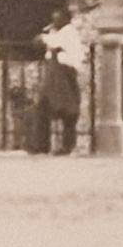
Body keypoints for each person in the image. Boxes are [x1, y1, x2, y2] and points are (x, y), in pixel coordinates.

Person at [36, 10, 84, 155]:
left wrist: (45, 37)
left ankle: (66, 146)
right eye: (53, 19)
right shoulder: (58, 33)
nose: (54, 22)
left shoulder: (68, 33)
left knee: (67, 110)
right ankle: (42, 144)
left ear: (65, 20)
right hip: (57, 75)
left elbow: (50, 43)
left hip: (64, 74)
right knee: (47, 107)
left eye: (57, 19)